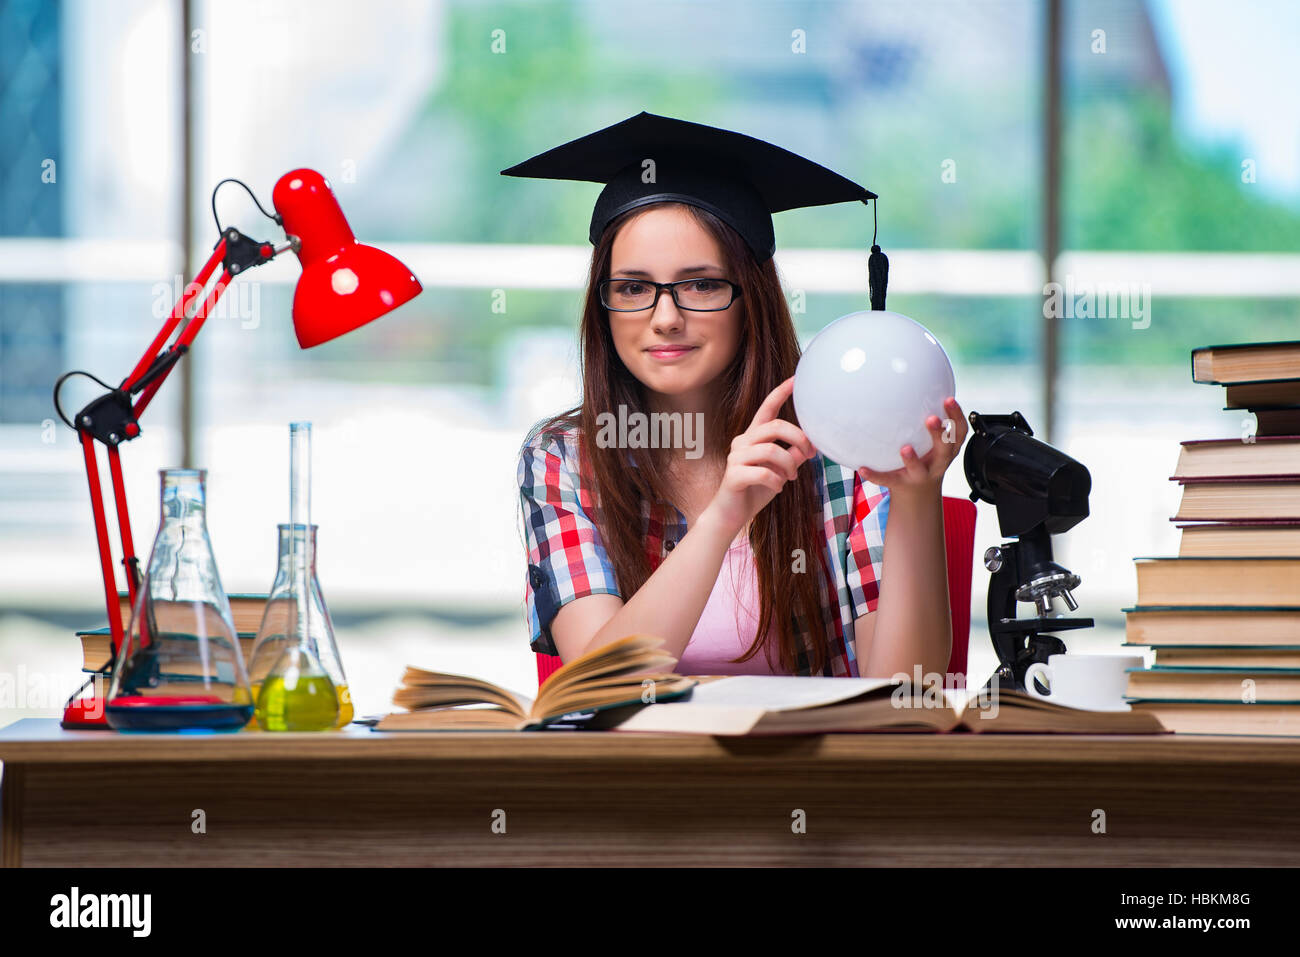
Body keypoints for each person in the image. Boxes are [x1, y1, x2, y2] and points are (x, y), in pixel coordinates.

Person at [506, 111, 967, 678]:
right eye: (633, 288)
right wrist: (725, 515)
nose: (665, 318)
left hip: (808, 762)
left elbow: (908, 695)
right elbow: (601, 685)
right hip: (640, 765)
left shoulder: (837, 446)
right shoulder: (566, 457)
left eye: (701, 284)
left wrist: (917, 496)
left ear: (752, 298)